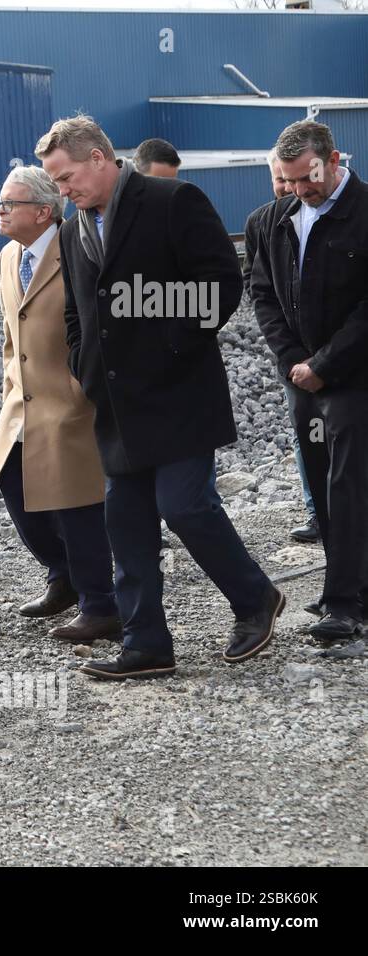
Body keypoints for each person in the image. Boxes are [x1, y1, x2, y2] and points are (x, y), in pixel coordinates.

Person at [38, 115, 284, 679]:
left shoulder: (174, 200)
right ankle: (145, 644)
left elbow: (221, 280)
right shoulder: (76, 229)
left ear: (99, 158)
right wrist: (83, 364)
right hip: (116, 404)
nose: (63, 189)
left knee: (185, 507)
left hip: (179, 393)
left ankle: (255, 599)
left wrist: (171, 348)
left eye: (67, 175)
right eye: (55, 182)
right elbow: (77, 309)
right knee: (125, 524)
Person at [0, 165, 119, 644]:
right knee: (17, 491)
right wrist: (9, 387)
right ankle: (61, 576)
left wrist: (85, 387)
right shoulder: (7, 255)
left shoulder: (77, 248)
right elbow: (10, 333)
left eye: (9, 203)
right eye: (0, 202)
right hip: (22, 402)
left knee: (76, 505)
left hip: (70, 401)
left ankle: (101, 604)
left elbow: (97, 325)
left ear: (43, 211)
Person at [250, 120, 368, 643]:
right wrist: (296, 362)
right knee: (321, 486)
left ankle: (345, 603)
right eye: (289, 181)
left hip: (355, 376)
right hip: (303, 377)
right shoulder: (276, 220)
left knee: (349, 483)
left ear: (334, 158)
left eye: (307, 178)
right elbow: (265, 295)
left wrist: (324, 364)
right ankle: (343, 585)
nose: (300, 190)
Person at [243, 150, 318, 545]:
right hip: (293, 359)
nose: (288, 189)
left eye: (294, 179)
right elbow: (260, 292)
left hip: (342, 357)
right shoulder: (261, 223)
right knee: (307, 432)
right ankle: (317, 511)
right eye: (281, 181)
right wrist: (290, 356)